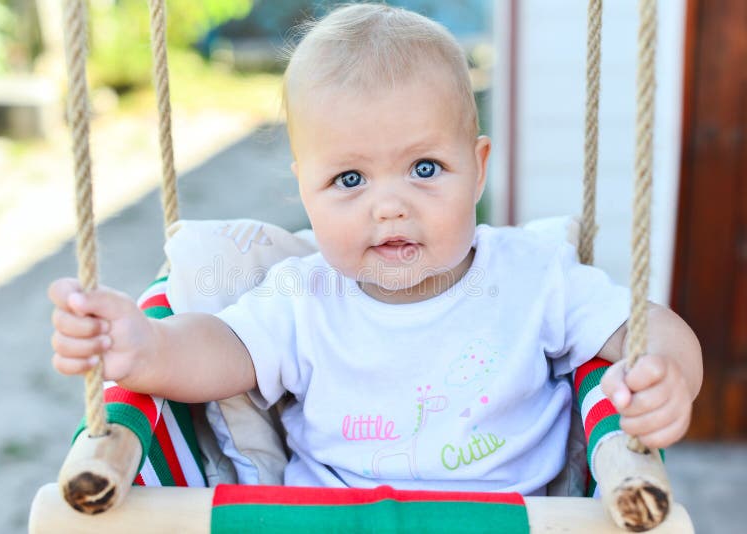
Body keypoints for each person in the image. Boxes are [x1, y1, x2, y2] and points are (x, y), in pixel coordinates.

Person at [49, 3, 702, 495]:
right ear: (305, 193)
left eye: (423, 168)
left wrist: (670, 374)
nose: (388, 206)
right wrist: (145, 349)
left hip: (508, 519)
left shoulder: (534, 274)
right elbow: (219, 349)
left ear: (478, 170)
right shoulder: (304, 294)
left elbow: (647, 327)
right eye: (350, 180)